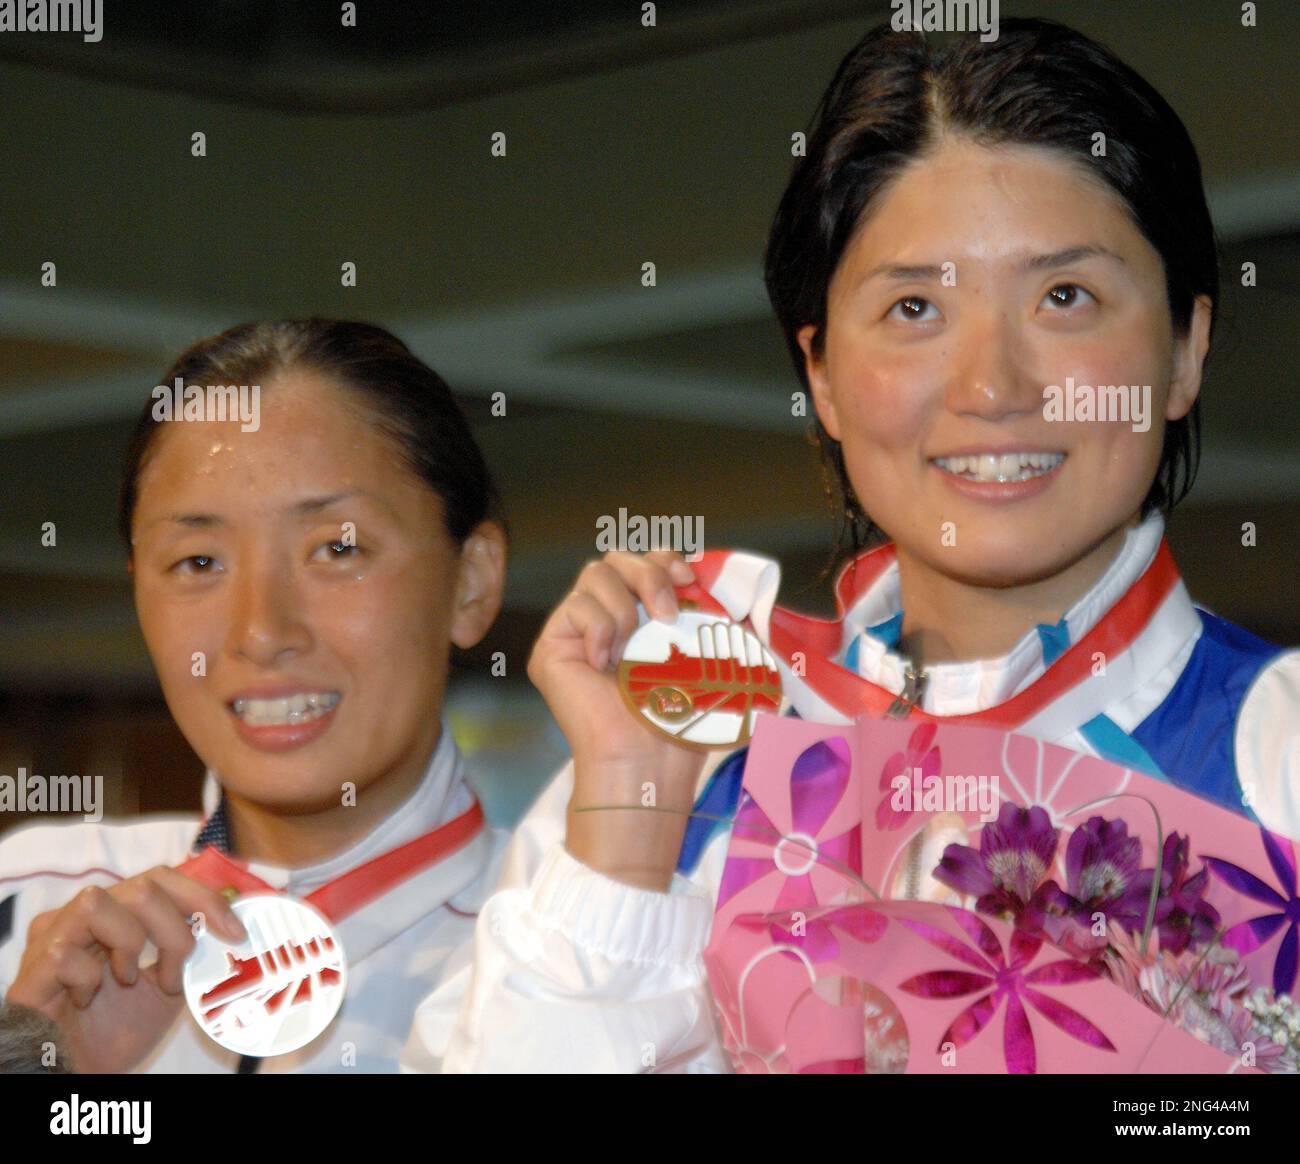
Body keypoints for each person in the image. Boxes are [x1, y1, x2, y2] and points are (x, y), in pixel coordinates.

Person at [405, 18, 1299, 1073]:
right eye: (914, 306)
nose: (992, 387)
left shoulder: (1276, 755)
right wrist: (630, 820)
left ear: (1184, 351)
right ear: (821, 374)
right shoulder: (685, 771)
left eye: (1065, 296)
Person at [0, 319, 509, 1073]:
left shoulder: (590, 961)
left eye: (338, 548)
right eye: (198, 559)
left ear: (471, 581)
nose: (262, 631)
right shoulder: (31, 905)